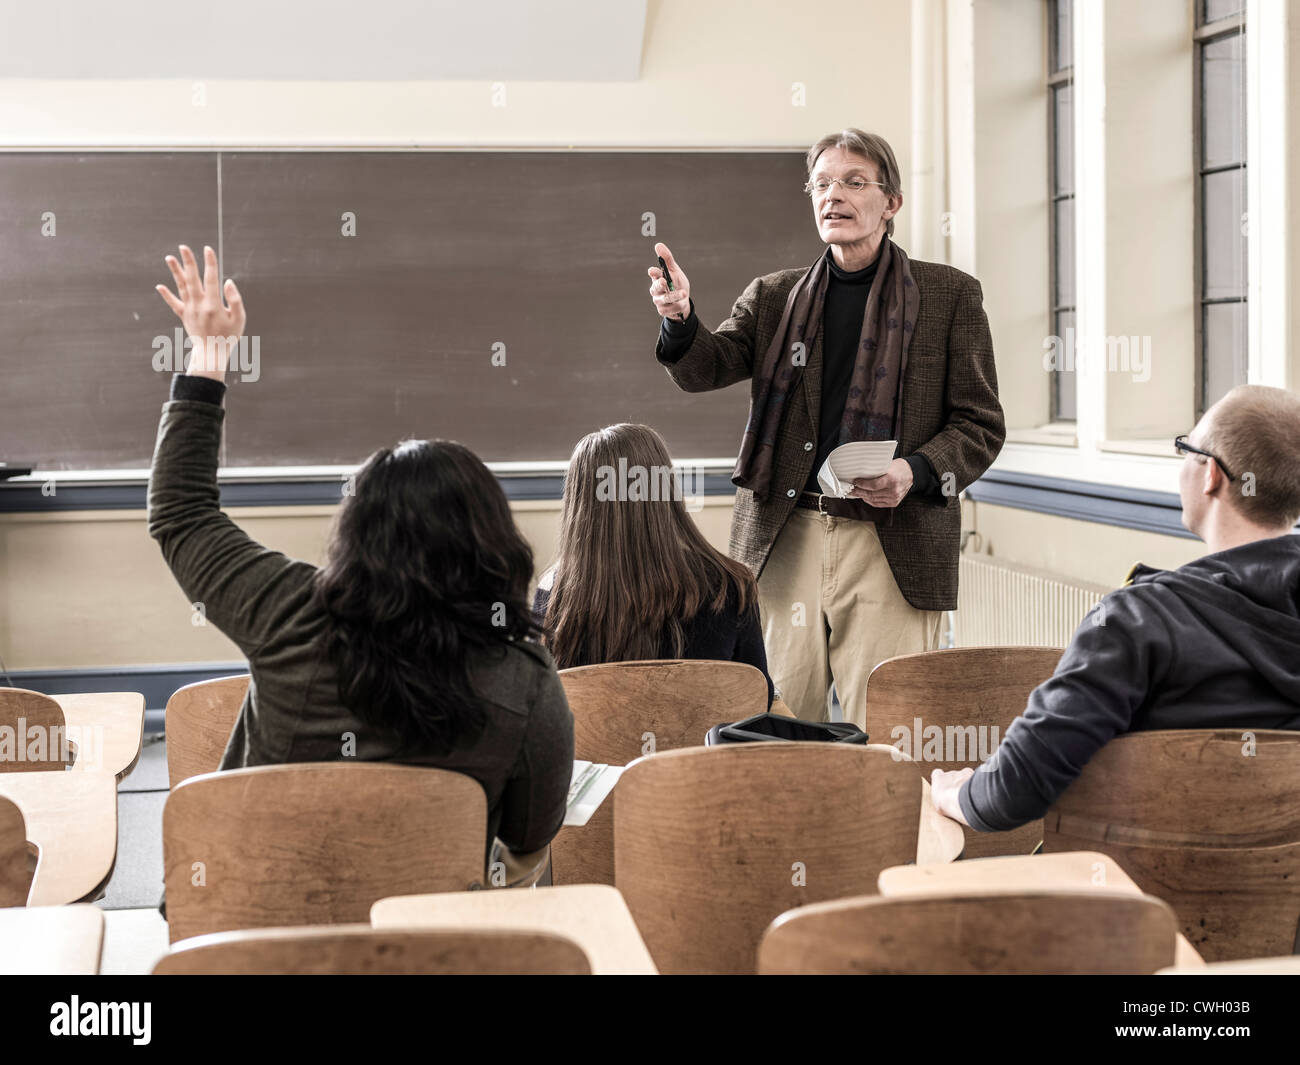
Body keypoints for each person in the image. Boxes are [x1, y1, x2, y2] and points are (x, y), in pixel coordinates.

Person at [149, 245, 574, 861]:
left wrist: (208, 355)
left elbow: (181, 512)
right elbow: (529, 838)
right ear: (495, 544)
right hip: (426, 948)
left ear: (356, 533)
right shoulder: (525, 680)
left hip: (250, 937)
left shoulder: (290, 610)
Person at [648, 128, 1005, 729]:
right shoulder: (775, 296)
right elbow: (706, 368)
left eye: (853, 182)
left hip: (894, 539)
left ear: (890, 202)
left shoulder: (950, 296)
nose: (832, 196)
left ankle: (887, 826)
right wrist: (681, 319)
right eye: (821, 183)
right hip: (786, 535)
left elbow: (980, 424)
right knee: (781, 725)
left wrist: (913, 473)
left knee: (889, 728)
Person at [931, 384, 1300, 831]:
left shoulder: (1135, 622)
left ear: (1211, 475)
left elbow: (1011, 792)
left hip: (1141, 893)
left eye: (1186, 447)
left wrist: (956, 795)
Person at [535, 423, 773, 704]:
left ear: (578, 499)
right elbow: (759, 697)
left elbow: (542, 703)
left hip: (592, 748)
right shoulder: (732, 585)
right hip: (697, 748)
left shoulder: (552, 592)